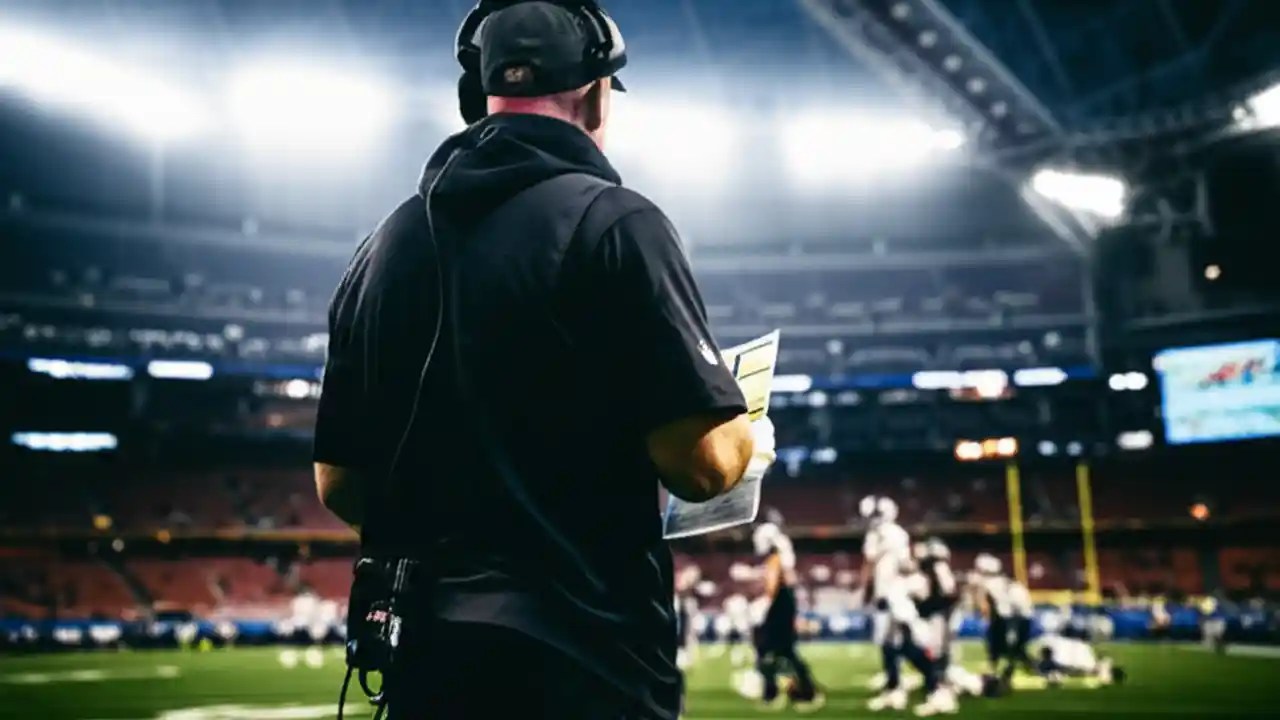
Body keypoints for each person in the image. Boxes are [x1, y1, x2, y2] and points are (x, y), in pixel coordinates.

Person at [312, 2, 774, 717]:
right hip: (586, 663)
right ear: (594, 92)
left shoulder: (381, 247)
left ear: (477, 92)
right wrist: (746, 435)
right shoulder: (618, 223)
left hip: (424, 662)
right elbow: (703, 463)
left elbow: (339, 483)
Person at [750, 523, 824, 711]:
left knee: (767, 650)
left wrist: (764, 605)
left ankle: (776, 692)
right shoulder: (783, 553)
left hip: (779, 606)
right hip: (785, 604)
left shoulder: (775, 558)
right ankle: (800, 691)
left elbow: (772, 586)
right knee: (784, 651)